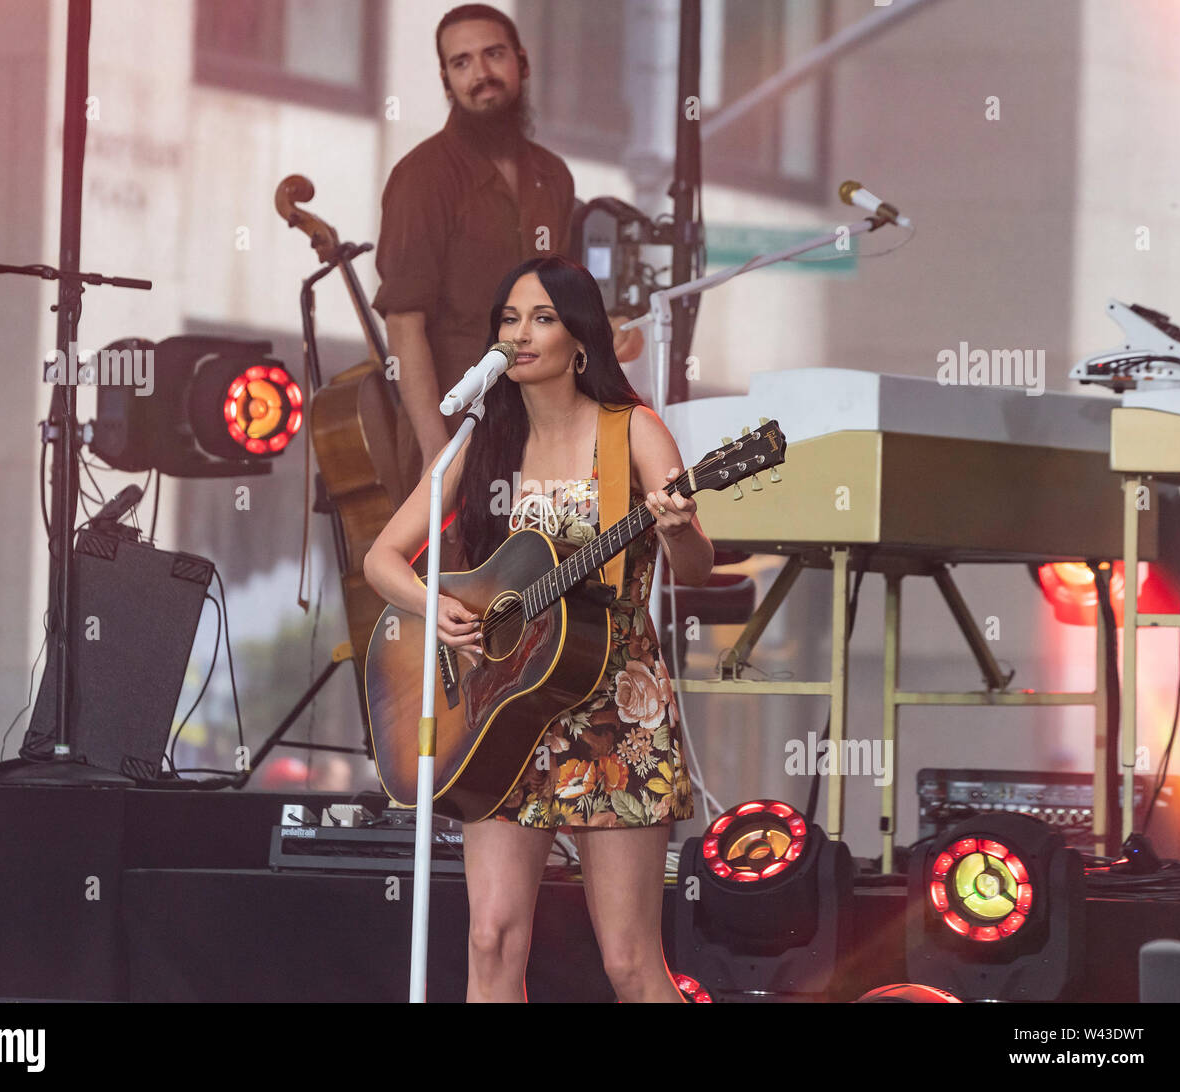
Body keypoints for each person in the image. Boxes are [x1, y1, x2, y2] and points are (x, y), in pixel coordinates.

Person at [363, 256, 714, 1002]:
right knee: (491, 939)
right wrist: (438, 608)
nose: (521, 335)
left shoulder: (632, 431)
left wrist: (679, 527)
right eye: (509, 320)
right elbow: (382, 560)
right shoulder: (480, 442)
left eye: (542, 318)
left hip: (616, 717)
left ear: (581, 341)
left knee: (628, 962)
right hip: (500, 714)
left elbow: (697, 565)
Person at [372, 4, 640, 489]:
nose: (481, 74)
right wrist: (438, 451)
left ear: (522, 61)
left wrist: (613, 328)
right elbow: (404, 321)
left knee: (547, 562)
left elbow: (562, 304)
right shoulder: (422, 177)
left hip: (546, 425)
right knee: (456, 567)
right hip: (459, 423)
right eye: (462, 62)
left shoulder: (552, 175)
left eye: (494, 54)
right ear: (446, 79)